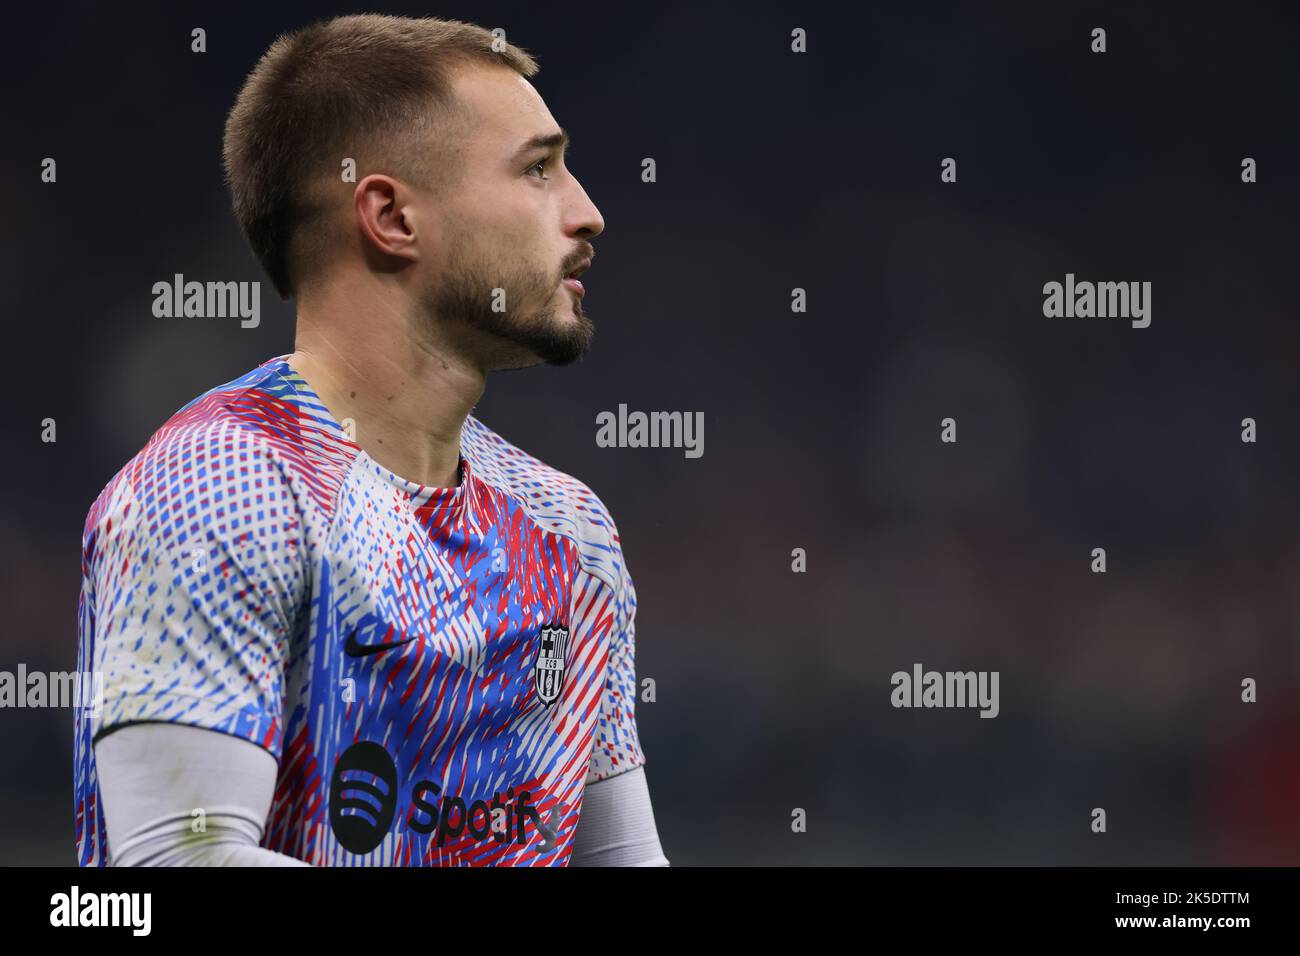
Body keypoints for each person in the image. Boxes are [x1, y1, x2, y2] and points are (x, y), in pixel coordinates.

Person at [73, 13, 667, 867]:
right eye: (538, 170)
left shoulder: (568, 530)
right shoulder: (221, 486)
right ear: (390, 216)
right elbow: (179, 863)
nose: (589, 214)